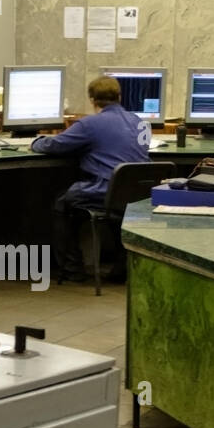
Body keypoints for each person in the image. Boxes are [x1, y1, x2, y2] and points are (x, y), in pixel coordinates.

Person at [31, 76, 151, 282]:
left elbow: (54, 146)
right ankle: (121, 269)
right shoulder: (140, 122)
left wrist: (37, 142)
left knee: (62, 203)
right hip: (137, 193)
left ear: (92, 100)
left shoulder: (89, 124)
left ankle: (72, 270)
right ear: (119, 97)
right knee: (119, 210)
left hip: (105, 190)